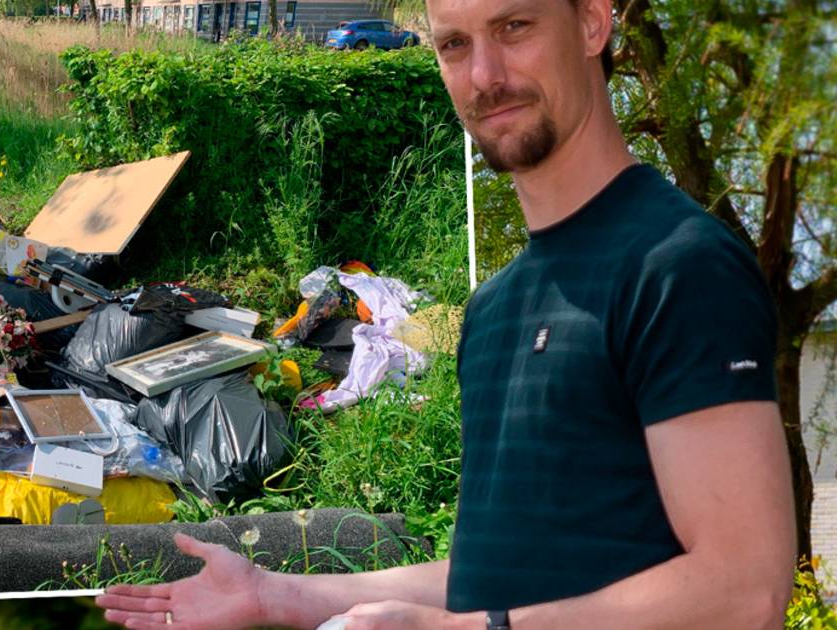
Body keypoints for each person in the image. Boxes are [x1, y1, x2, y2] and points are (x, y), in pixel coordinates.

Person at [95, 0, 797, 628]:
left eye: (514, 28)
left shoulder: (676, 267)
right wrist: (274, 595)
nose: (484, 75)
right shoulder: (494, 312)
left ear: (592, 21)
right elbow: (491, 580)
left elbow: (742, 589)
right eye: (453, 45)